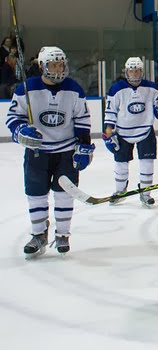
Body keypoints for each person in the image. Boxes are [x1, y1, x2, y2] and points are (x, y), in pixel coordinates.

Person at [6, 46, 94, 257]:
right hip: (38, 152)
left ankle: (63, 234)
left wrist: (83, 145)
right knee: (36, 194)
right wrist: (20, 129)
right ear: (42, 66)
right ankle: (38, 235)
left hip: (65, 150)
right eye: (53, 65)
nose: (58, 69)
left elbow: (82, 120)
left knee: (64, 194)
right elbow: (13, 117)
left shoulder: (74, 89)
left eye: (61, 64)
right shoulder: (26, 88)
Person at [102, 57, 158, 207]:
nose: (134, 74)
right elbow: (110, 111)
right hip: (123, 132)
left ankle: (145, 193)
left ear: (142, 71)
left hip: (145, 130)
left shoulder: (152, 87)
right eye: (131, 71)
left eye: (137, 70)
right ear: (126, 72)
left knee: (147, 163)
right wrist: (108, 131)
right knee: (120, 164)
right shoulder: (117, 88)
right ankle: (120, 191)